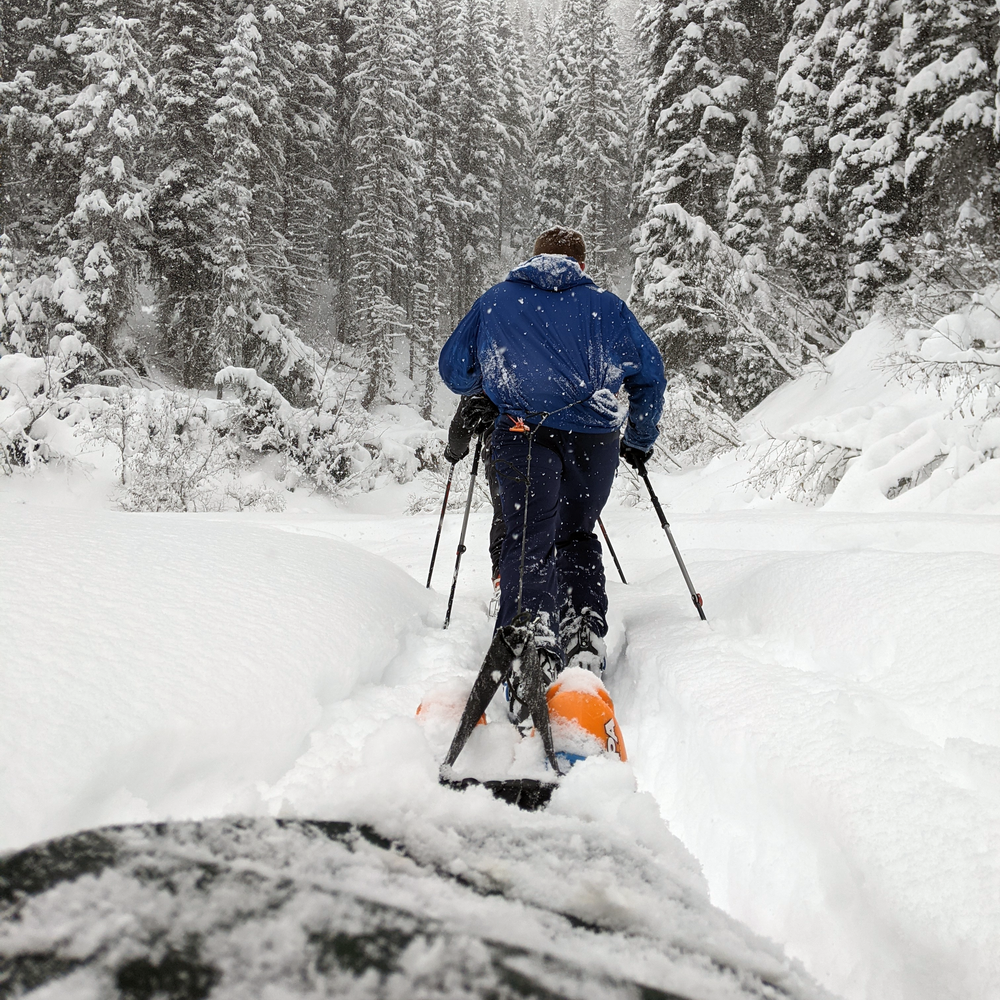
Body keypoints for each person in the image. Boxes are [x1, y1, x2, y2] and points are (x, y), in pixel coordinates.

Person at [438, 226, 666, 753]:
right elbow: (649, 374)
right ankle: (583, 632)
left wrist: (492, 383)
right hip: (594, 439)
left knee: (526, 541)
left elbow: (455, 369)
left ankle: (527, 642)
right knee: (577, 532)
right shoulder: (606, 308)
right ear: (581, 265)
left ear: (535, 258)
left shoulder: (498, 300)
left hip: (521, 434)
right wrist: (638, 437)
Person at [443, 393, 503, 606]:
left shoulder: (487, 365)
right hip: (550, 442)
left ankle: (503, 577)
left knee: (505, 513)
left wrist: (454, 450)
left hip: (501, 446)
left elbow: (466, 412)